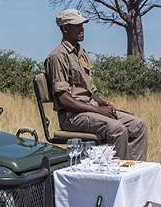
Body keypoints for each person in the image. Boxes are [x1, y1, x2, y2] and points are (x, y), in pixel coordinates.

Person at [45, 9, 148, 160]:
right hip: (72, 116)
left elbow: (89, 89)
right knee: (118, 129)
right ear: (65, 28)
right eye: (77, 25)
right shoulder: (57, 56)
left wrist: (104, 103)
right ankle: (117, 177)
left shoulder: (81, 52)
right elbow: (63, 99)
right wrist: (99, 110)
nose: (82, 29)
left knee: (138, 125)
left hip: (90, 110)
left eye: (82, 25)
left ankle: (133, 174)